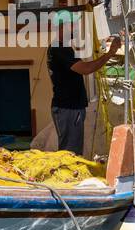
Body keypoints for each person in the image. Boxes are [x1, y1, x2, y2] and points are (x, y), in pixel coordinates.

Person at [47, 11, 122, 154]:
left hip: (67, 107)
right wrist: (110, 53)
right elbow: (86, 69)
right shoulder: (60, 49)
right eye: (72, 25)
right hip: (68, 108)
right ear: (62, 27)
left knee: (71, 151)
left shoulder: (60, 47)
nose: (76, 28)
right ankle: (69, 176)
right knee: (71, 152)